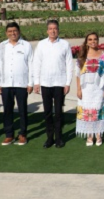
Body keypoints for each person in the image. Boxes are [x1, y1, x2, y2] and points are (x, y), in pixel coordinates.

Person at [32, 19, 75, 149]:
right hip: (45, 83)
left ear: (58, 30)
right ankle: (49, 138)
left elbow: (69, 64)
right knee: (48, 112)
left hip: (59, 83)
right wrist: (36, 82)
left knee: (58, 112)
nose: (52, 31)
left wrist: (67, 83)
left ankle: (59, 138)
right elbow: (37, 63)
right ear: (47, 30)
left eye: (55, 28)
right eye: (50, 28)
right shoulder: (41, 44)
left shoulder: (64, 44)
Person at [0, 21, 33, 146]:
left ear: (19, 31)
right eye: (10, 31)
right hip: (6, 84)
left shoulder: (26, 45)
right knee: (7, 110)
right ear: (6, 33)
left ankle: (22, 134)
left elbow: (31, 64)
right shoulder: (2, 46)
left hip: (22, 83)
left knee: (22, 110)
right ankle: (9, 135)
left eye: (15, 31)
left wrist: (30, 83)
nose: (13, 33)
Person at [75, 32, 104, 146]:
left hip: (99, 88)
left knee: (99, 110)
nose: (93, 41)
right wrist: (79, 89)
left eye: (95, 39)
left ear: (98, 41)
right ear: (86, 41)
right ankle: (90, 135)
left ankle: (98, 134)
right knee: (88, 110)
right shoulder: (82, 55)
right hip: (86, 88)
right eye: (90, 39)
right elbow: (77, 74)